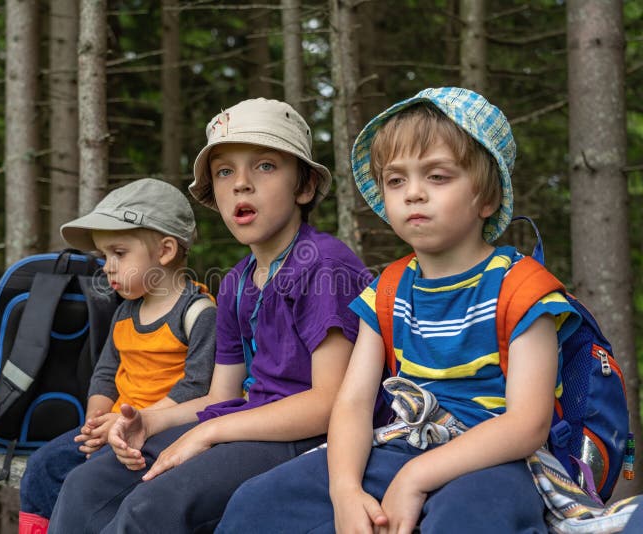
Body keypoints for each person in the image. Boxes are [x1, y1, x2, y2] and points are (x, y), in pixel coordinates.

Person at [217, 87, 584, 533]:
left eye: (437, 177)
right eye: (396, 180)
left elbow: (527, 424)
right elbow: (352, 403)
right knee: (256, 505)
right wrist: (345, 489)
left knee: (464, 519)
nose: (413, 194)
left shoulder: (521, 286)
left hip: (497, 459)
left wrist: (415, 478)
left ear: (486, 197)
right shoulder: (387, 289)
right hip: (402, 443)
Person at [46, 98, 372, 534]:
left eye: (265, 166)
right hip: (245, 424)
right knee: (87, 486)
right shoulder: (236, 283)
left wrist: (208, 433)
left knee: (152, 507)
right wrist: (152, 420)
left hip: (310, 439)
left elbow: (329, 402)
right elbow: (220, 396)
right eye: (224, 172)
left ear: (305, 186)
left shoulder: (324, 265)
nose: (241, 184)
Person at [18, 178, 216, 533]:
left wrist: (136, 420)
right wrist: (97, 416)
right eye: (104, 256)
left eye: (119, 254)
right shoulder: (126, 311)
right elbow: (107, 370)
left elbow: (198, 387)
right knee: (43, 466)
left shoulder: (198, 313)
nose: (107, 266)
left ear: (166, 251)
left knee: (91, 487)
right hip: (113, 427)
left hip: (160, 434)